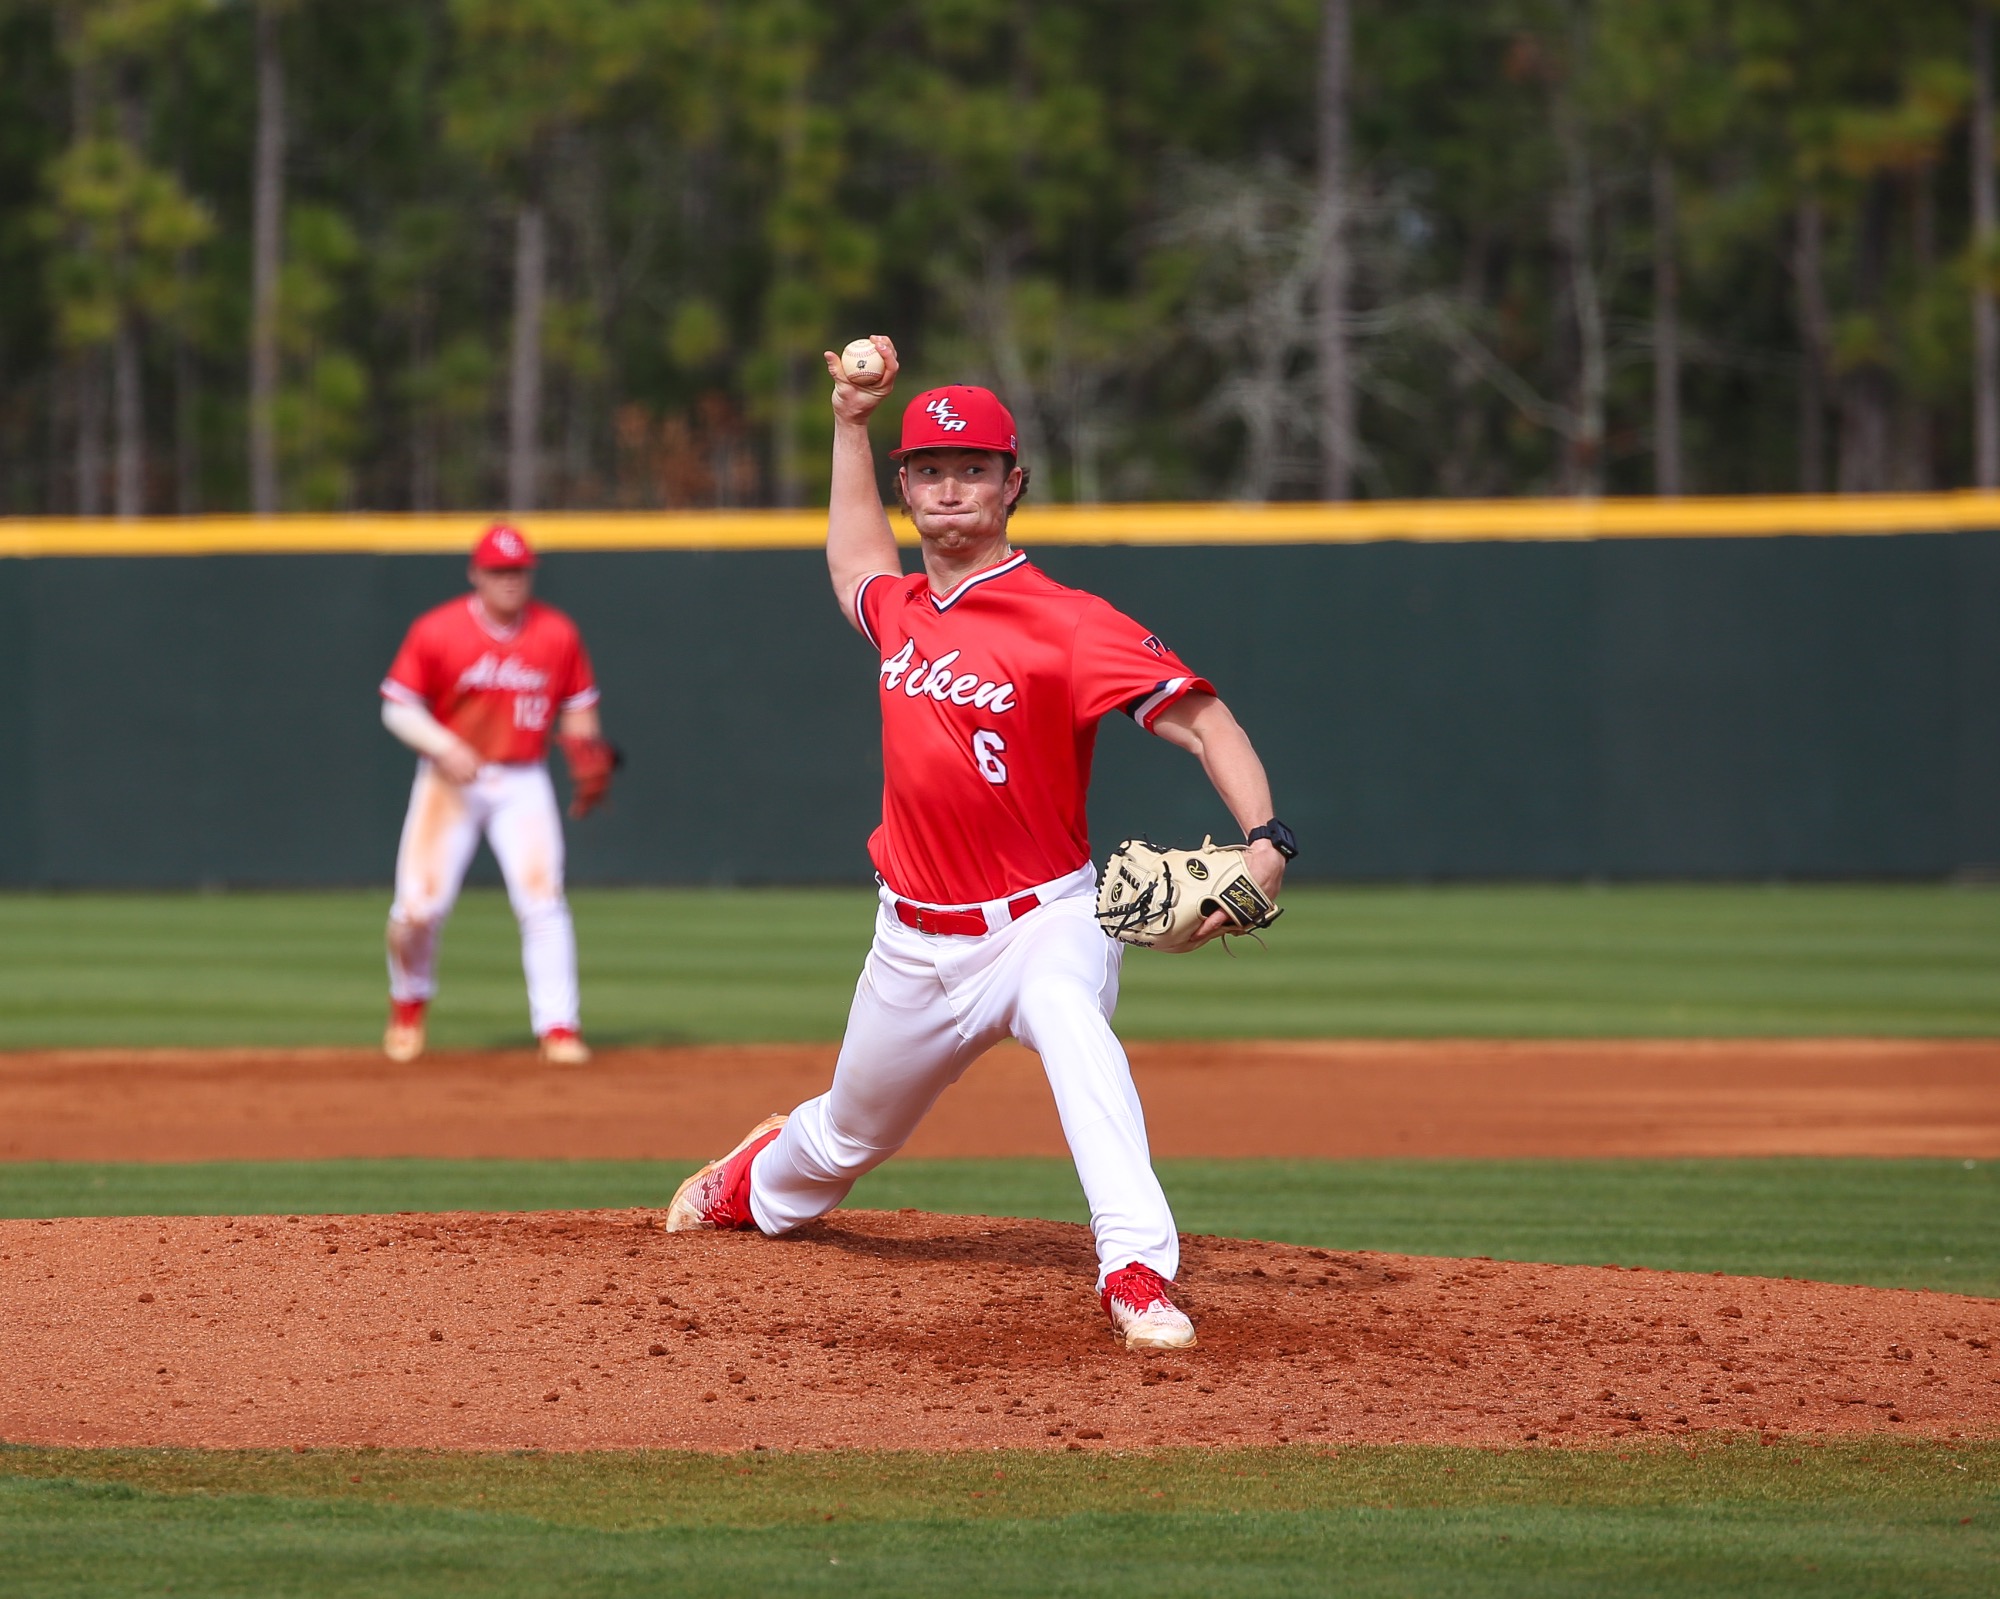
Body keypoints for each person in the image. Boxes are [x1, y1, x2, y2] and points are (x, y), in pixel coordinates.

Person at [665, 337, 1296, 1352]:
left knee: (1072, 1028)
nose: (948, 487)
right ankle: (753, 1177)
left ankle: (1135, 1268)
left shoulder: (1069, 623)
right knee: (841, 1140)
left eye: (971, 469)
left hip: (1043, 918)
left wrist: (1266, 842)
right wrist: (848, 425)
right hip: (912, 940)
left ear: (1012, 486)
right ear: (905, 486)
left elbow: (1208, 724)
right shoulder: (900, 610)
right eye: (927, 470)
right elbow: (851, 560)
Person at [377, 523, 615, 1065]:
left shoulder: (556, 633)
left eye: (519, 571)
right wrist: (443, 744)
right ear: (475, 574)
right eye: (498, 571)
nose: (509, 581)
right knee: (416, 910)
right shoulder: (437, 630)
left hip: (522, 780)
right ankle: (408, 1007)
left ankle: (558, 1028)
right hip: (448, 779)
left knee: (543, 902)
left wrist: (589, 755)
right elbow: (396, 707)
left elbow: (579, 706)